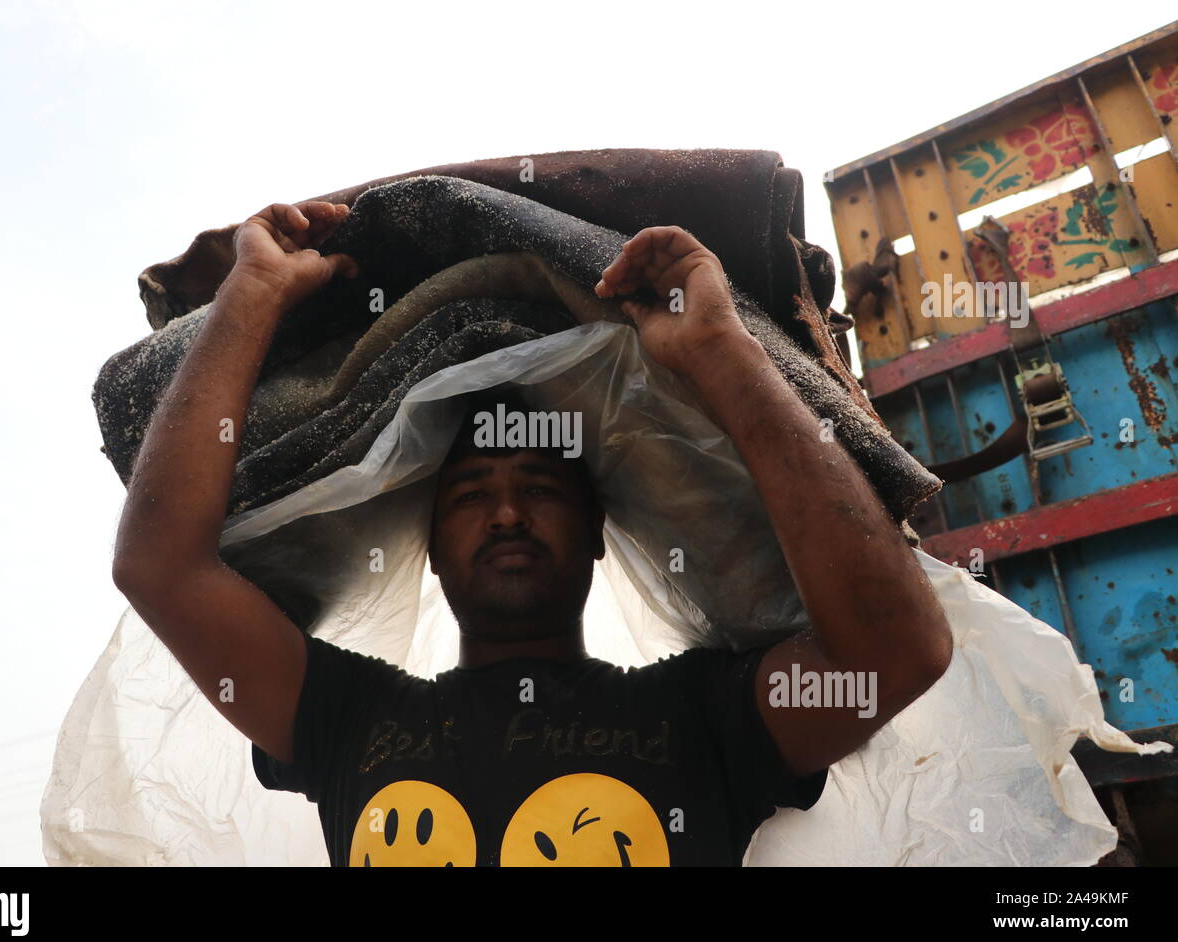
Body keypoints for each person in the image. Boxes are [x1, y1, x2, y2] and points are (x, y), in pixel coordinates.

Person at [112, 199, 954, 866]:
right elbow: (160, 569)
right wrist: (249, 298)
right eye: (472, 492)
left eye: (541, 487)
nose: (508, 513)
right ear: (430, 548)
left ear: (597, 530)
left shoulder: (704, 720)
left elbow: (894, 655)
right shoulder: (343, 719)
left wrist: (720, 351)